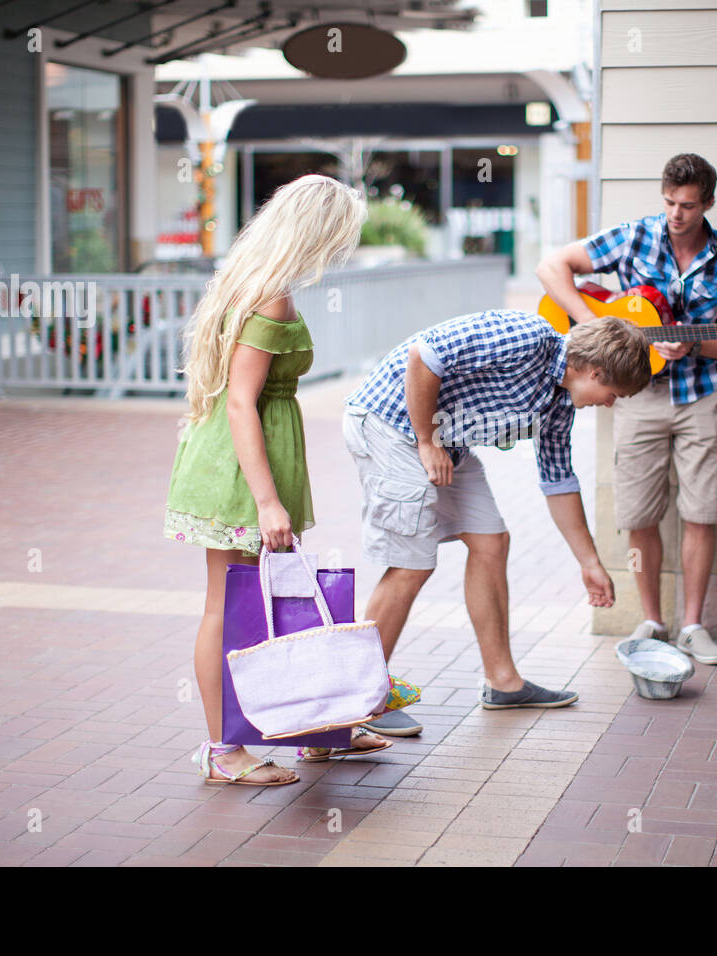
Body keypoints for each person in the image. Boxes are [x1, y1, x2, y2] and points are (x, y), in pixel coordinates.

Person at [163, 174, 390, 786]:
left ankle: (312, 729)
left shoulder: (250, 281)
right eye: (337, 236)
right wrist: (267, 501)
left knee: (257, 599)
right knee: (227, 606)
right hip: (242, 469)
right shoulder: (271, 297)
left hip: (238, 459)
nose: (339, 250)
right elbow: (242, 402)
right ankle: (225, 752)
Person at [343, 310, 652, 720]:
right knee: (411, 565)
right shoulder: (529, 337)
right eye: (614, 394)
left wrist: (590, 563)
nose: (610, 404)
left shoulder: (560, 404)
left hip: (443, 438)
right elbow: (425, 354)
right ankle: (358, 700)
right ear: (595, 372)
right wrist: (426, 440)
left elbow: (559, 480)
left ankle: (504, 683)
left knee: (491, 540)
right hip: (392, 425)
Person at [536, 153, 717, 665]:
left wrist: (695, 345)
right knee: (639, 513)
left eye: (689, 205)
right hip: (636, 397)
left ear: (709, 203)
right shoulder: (635, 237)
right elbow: (552, 268)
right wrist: (597, 327)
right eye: (670, 203)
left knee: (702, 511)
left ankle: (694, 625)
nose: (677, 214)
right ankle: (653, 620)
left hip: (700, 394)